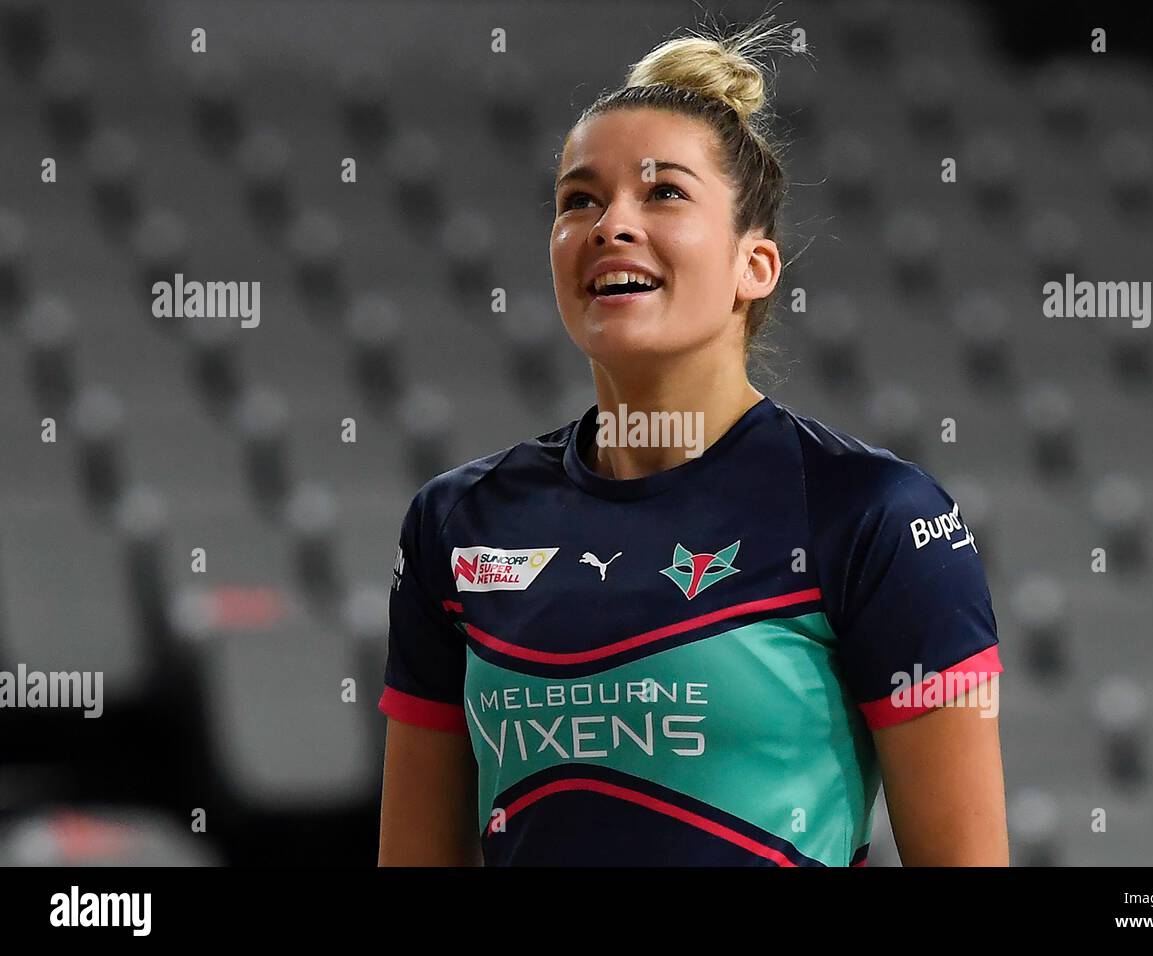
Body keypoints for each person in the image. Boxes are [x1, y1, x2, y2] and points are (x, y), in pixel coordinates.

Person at [378, 17, 1008, 866]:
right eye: (579, 200)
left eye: (663, 193)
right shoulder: (458, 521)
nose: (609, 225)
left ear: (756, 265)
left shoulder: (877, 516)